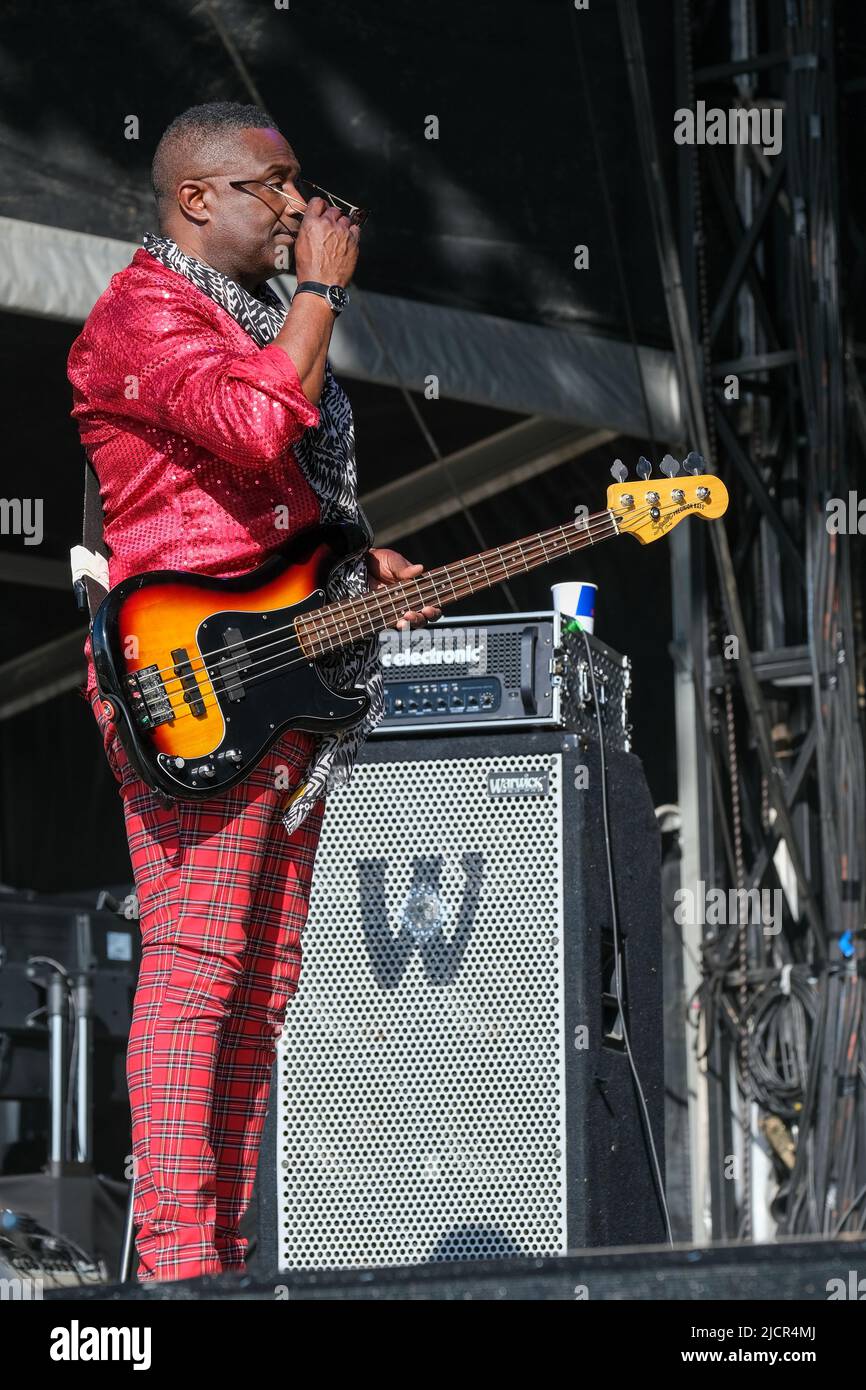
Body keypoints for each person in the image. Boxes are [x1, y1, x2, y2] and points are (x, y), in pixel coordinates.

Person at [67, 100, 441, 1284]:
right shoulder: (140, 314)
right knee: (197, 961)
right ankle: (177, 1266)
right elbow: (243, 420)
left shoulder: (249, 315)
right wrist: (323, 294)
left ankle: (220, 1260)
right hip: (187, 676)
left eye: (296, 186)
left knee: (265, 973)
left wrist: (354, 568)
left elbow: (277, 498)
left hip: (278, 669)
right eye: (272, 184)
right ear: (197, 198)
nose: (295, 206)